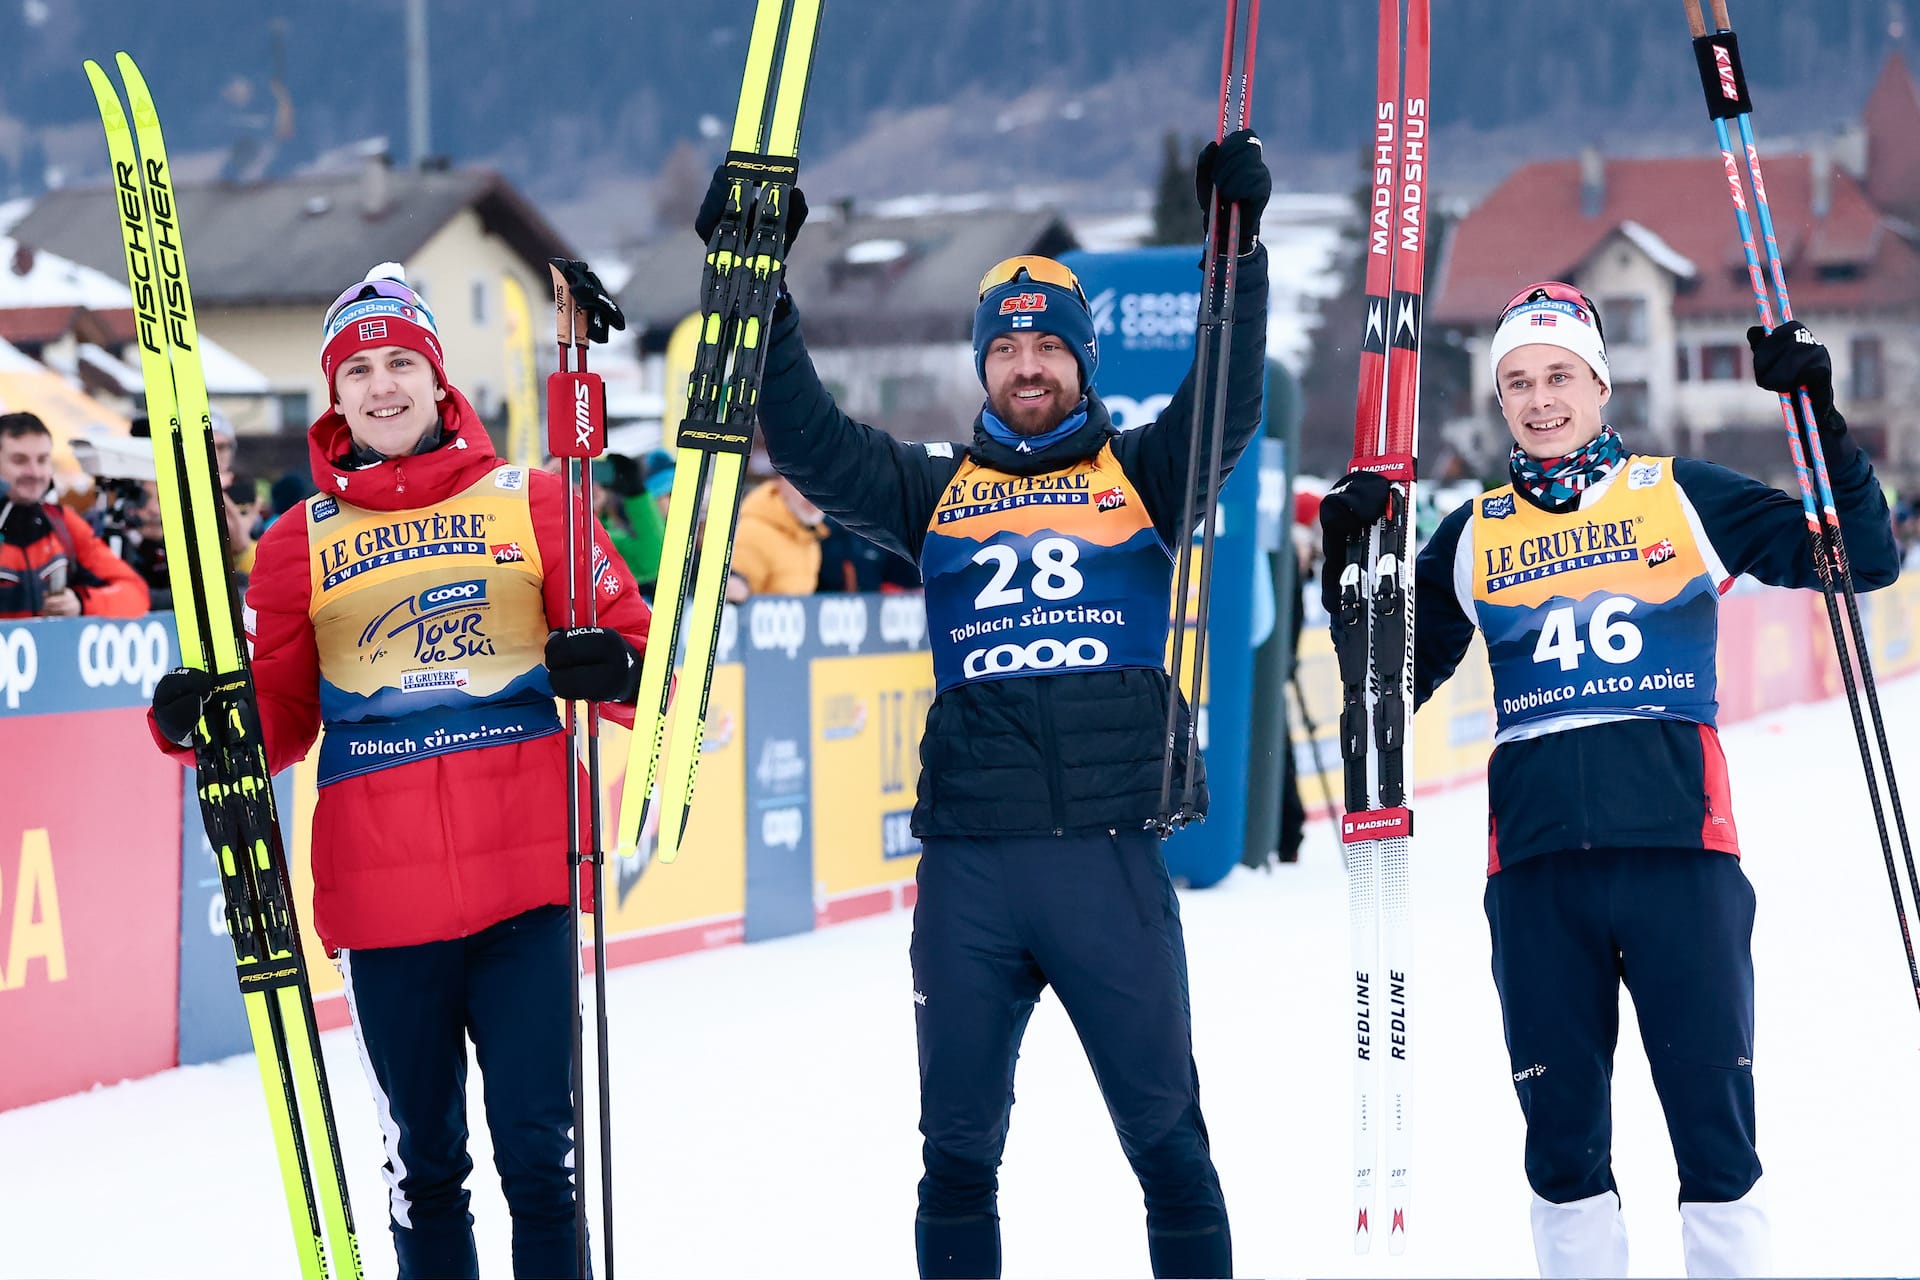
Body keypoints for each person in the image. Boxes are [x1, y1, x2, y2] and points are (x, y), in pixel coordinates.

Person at [700, 128, 1272, 1279]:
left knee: (1169, 1144)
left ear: (1082, 361)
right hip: (971, 869)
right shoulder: (931, 492)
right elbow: (808, 441)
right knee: (957, 1156)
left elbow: (1230, 396)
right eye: (1005, 344)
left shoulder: (1145, 476)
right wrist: (750, 288)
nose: (1025, 363)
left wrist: (1236, 253)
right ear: (982, 363)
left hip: (1106, 864)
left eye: (1046, 345)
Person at [1318, 284, 1900, 1279]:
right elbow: (1382, 693)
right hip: (1540, 876)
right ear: (1500, 401)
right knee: (1562, 1147)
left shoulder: (1681, 494)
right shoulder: (1471, 533)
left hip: (1683, 858)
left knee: (1714, 1137)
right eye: (1517, 383)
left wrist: (1821, 421)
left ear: (1599, 381)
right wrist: (1351, 567)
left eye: (1557, 376)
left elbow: (1863, 558)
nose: (1540, 399)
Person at [145, 264, 650, 1280]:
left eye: (401, 364)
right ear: (334, 396)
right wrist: (203, 723)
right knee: (425, 1170)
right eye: (359, 370)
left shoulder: (532, 500)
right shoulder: (297, 544)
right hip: (384, 913)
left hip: (528, 896)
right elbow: (278, 718)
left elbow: (644, 664)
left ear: (437, 377)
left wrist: (618, 665)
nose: (382, 387)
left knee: (541, 1166)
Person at [0, 411, 149, 619]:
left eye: (42, 460)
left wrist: (81, 602)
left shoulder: (62, 523)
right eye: (19, 461)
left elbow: (136, 594)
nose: (34, 472)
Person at [725, 474, 827, 601]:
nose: (812, 495)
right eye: (803, 484)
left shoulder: (810, 535)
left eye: (823, 486)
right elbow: (734, 599)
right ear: (781, 482)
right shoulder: (753, 531)